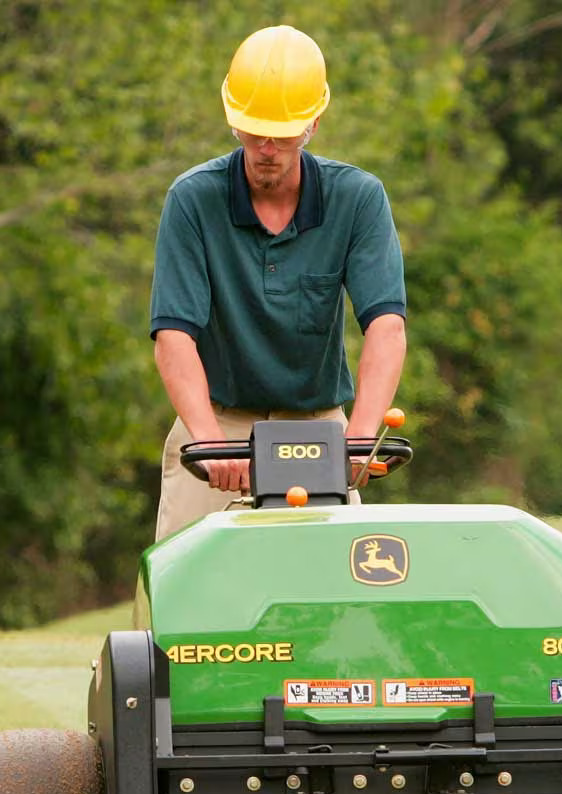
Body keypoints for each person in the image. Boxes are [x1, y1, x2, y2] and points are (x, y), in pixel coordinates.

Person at [149, 24, 408, 542]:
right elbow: (173, 335)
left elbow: (386, 326)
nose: (266, 146)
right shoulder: (193, 200)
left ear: (313, 121)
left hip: (317, 429)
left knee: (339, 588)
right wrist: (205, 439)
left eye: (281, 131)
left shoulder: (357, 199)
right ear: (233, 120)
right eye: (254, 129)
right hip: (218, 428)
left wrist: (359, 437)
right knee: (190, 589)